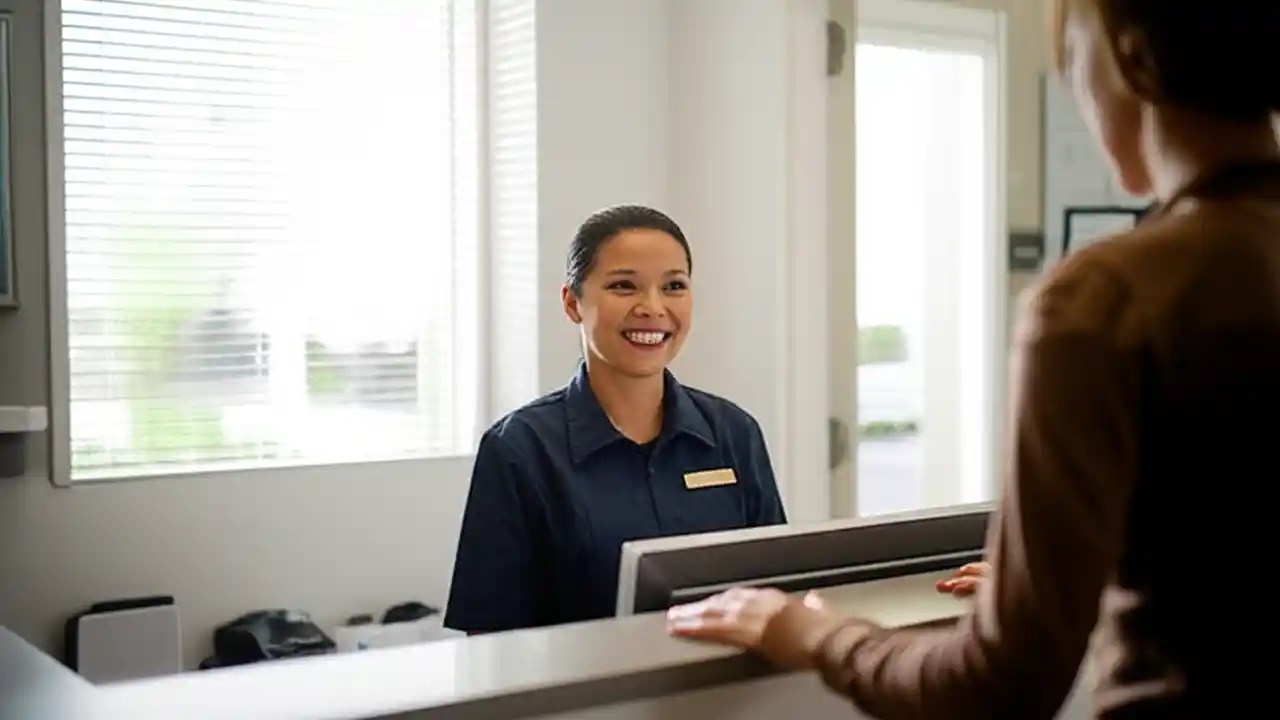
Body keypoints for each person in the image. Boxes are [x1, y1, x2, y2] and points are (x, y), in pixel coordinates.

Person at [665, 1, 1280, 717]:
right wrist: (1057, 572)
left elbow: (998, 686)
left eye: (1072, 59)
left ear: (1134, 57)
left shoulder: (1106, 303)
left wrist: (816, 634)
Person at [445, 204, 787, 634]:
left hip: (723, 693)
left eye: (674, 286)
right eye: (624, 286)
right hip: (584, 698)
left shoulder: (735, 434)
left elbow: (776, 597)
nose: (652, 307)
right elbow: (491, 640)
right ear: (573, 303)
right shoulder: (519, 449)